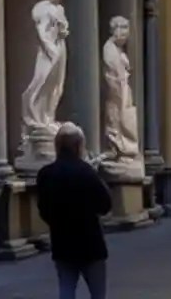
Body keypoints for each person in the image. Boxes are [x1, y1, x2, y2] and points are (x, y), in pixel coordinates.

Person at [37, 123, 113, 299]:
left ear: (57, 146)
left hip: (62, 243)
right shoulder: (87, 172)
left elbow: (43, 210)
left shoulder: (45, 174)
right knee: (98, 294)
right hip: (91, 244)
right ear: (79, 146)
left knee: (66, 290)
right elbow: (106, 205)